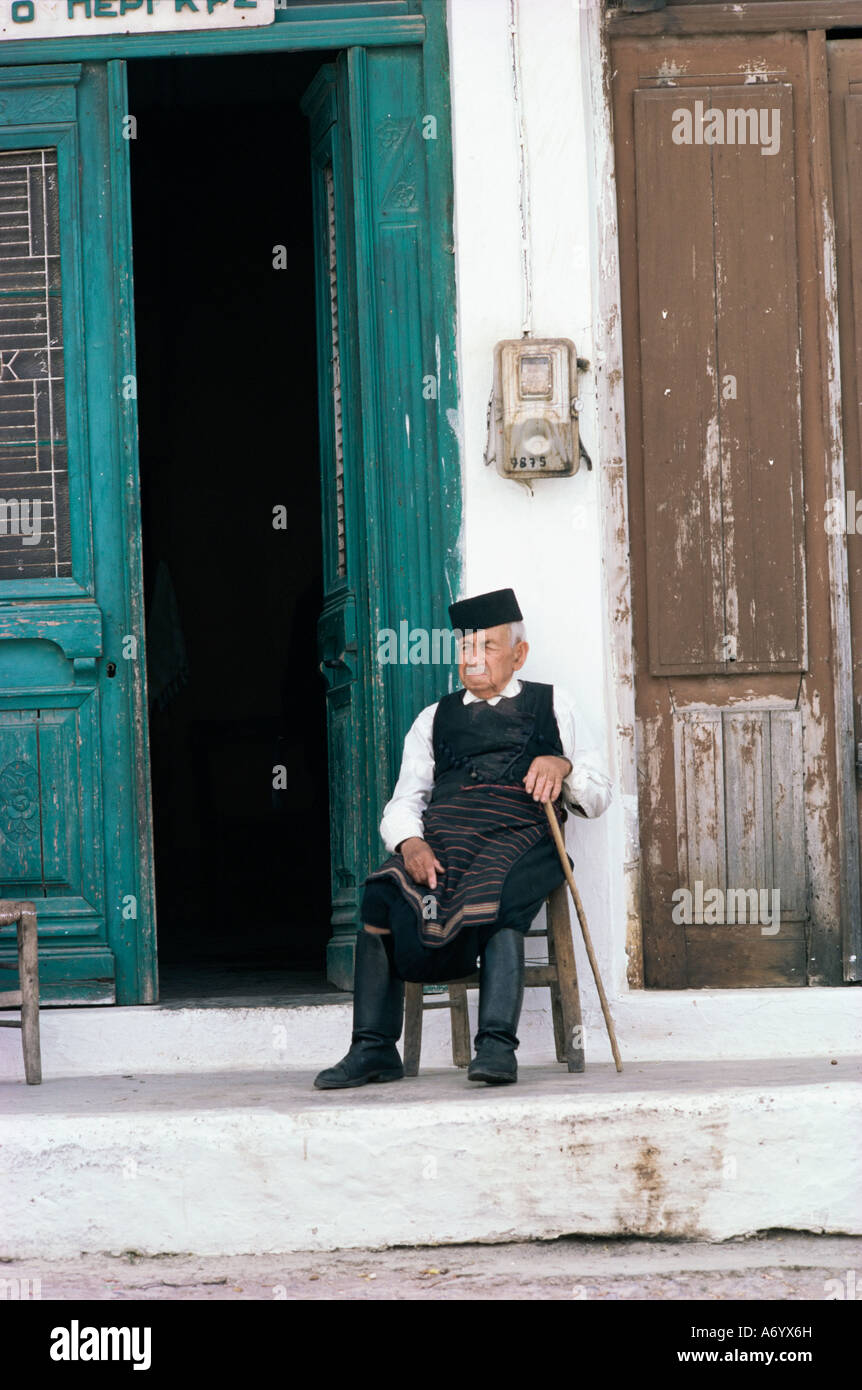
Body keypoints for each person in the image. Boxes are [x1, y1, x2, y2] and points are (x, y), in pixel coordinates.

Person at [313, 588, 612, 1090]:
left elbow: (599, 795)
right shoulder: (434, 718)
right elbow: (405, 801)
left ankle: (495, 1046)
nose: (474, 658)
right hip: (447, 838)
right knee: (381, 894)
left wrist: (563, 766)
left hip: (523, 835)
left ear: (519, 653)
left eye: (488, 647)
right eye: (466, 647)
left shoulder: (553, 704)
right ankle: (372, 1048)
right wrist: (410, 843)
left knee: (499, 891)